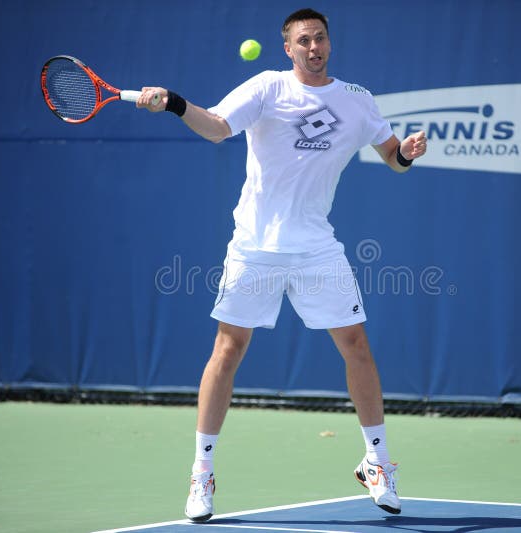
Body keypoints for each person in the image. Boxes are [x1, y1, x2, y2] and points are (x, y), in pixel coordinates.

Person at [137, 7, 427, 523]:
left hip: (317, 246)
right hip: (255, 245)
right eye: (303, 41)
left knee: (356, 344)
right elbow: (219, 127)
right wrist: (176, 103)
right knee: (228, 348)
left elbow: (392, 157)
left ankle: (377, 462)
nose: (313, 48)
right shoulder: (267, 87)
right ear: (287, 48)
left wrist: (406, 150)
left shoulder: (357, 101)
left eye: (320, 39)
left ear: (329, 44)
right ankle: (201, 474)